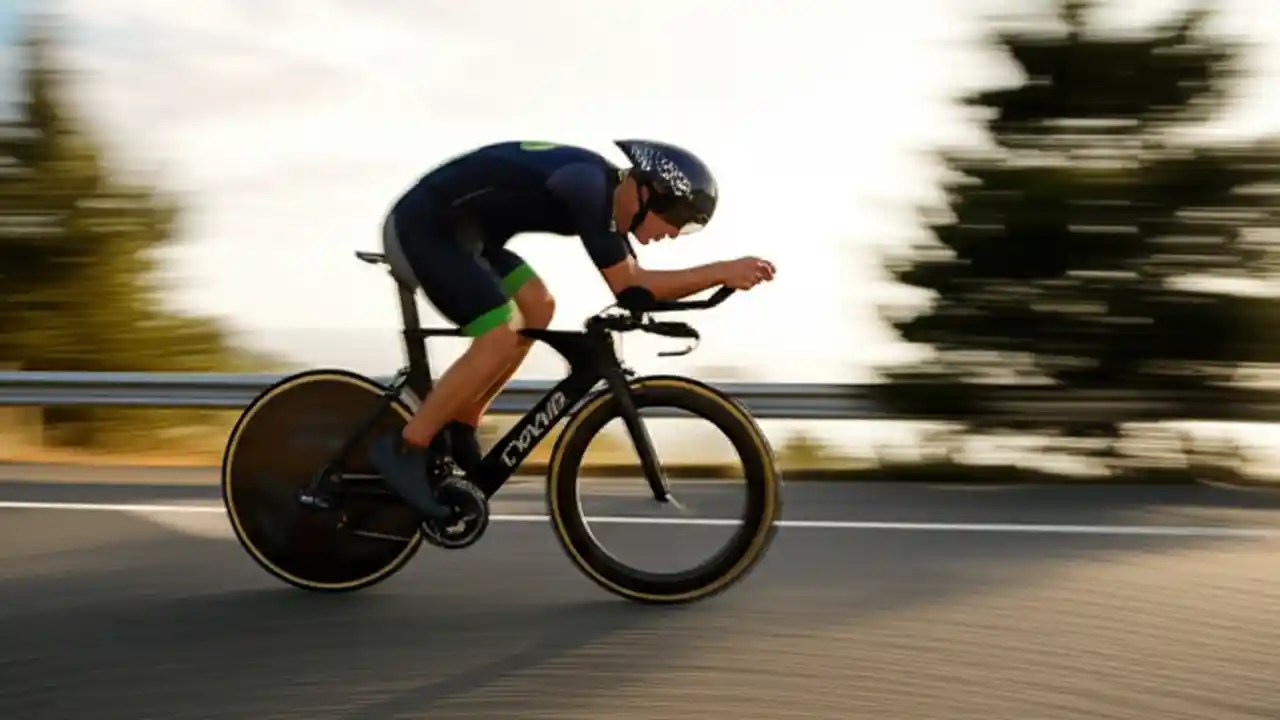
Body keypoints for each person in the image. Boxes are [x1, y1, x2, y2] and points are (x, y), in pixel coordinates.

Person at [370, 139, 776, 520]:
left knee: (538, 307)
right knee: (498, 335)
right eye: (676, 220)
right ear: (646, 193)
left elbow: (637, 292)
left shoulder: (608, 201)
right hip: (423, 227)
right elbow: (632, 285)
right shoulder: (587, 186)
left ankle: (462, 421)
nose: (673, 233)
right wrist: (721, 270)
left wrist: (713, 283)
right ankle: (408, 446)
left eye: (686, 228)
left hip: (468, 237)